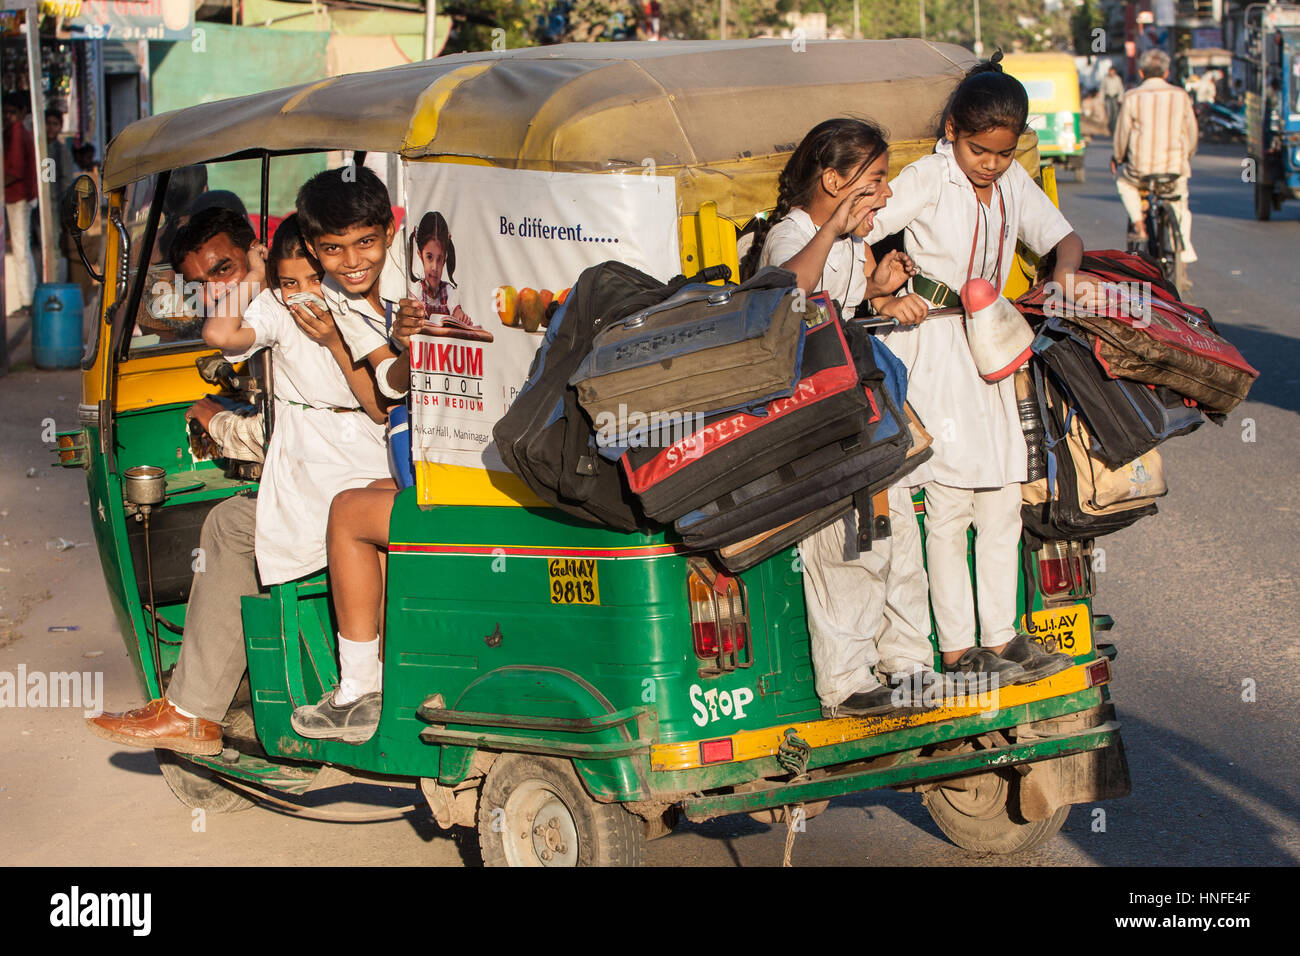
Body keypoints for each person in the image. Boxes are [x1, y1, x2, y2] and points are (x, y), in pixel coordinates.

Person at [87, 214, 390, 756]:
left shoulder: (345, 308)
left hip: (344, 476)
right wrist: (255, 275)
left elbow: (334, 410)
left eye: (227, 269)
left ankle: (194, 710)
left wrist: (219, 423)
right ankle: (198, 708)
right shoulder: (280, 306)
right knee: (234, 521)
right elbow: (223, 337)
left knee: (230, 525)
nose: (219, 290)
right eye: (204, 284)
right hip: (329, 470)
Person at [863, 55, 1082, 686]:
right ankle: (958, 649)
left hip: (992, 347)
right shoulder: (927, 177)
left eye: (1003, 153)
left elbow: (1062, 237)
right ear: (954, 129)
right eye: (980, 150)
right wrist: (881, 289)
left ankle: (1004, 637)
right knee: (952, 503)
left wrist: (1065, 273)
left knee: (1003, 500)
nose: (991, 164)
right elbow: (862, 224)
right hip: (932, 349)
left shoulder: (1011, 181)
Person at [754, 117, 938, 717]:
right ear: (833, 181)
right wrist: (835, 229)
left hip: (861, 410)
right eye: (876, 180)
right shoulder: (791, 236)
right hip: (816, 424)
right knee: (854, 543)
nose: (886, 195)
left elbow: (843, 309)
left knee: (900, 535)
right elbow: (788, 297)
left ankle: (909, 663)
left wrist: (880, 292)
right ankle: (847, 680)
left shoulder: (852, 242)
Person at [287, 164, 425, 743]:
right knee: (366, 497)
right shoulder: (344, 303)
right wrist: (402, 346)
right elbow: (386, 389)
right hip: (419, 458)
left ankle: (359, 687)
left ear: (390, 232)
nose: (352, 261)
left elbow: (386, 390)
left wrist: (410, 340)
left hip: (466, 473)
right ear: (317, 254)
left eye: (364, 242)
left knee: (347, 512)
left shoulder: (420, 275)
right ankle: (387, 679)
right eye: (334, 250)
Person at [1111, 48, 1199, 264]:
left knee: (1125, 183)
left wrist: (1118, 157)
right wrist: (1186, 156)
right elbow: (1192, 134)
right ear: (1166, 73)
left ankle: (1139, 223)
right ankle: (1183, 247)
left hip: (1140, 170)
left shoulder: (1131, 97)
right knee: (1180, 202)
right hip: (1174, 169)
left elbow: (1122, 135)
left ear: (1141, 73)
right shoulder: (1181, 96)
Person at [408, 209, 492, 341]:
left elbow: (456, 312)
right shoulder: (416, 293)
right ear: (420, 255)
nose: (435, 267)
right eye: (429, 257)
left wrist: (460, 317)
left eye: (439, 259)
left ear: (445, 259)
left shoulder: (449, 292)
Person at [3, 94, 37, 312]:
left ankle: (27, 300)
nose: (7, 116)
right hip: (18, 195)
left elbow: (14, 170)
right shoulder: (18, 132)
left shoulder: (16, 132)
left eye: (11, 112)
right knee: (21, 246)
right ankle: (28, 296)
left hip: (18, 196)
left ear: (22, 112)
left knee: (20, 247)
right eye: (5, 112)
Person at [1101, 66, 1125, 133]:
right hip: (1108, 98)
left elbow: (1120, 89)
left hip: (1115, 98)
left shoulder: (1117, 79)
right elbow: (1102, 89)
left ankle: (1115, 128)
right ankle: (1110, 128)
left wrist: (1120, 99)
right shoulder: (1105, 79)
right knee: (1109, 114)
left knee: (1115, 113)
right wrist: (1101, 100)